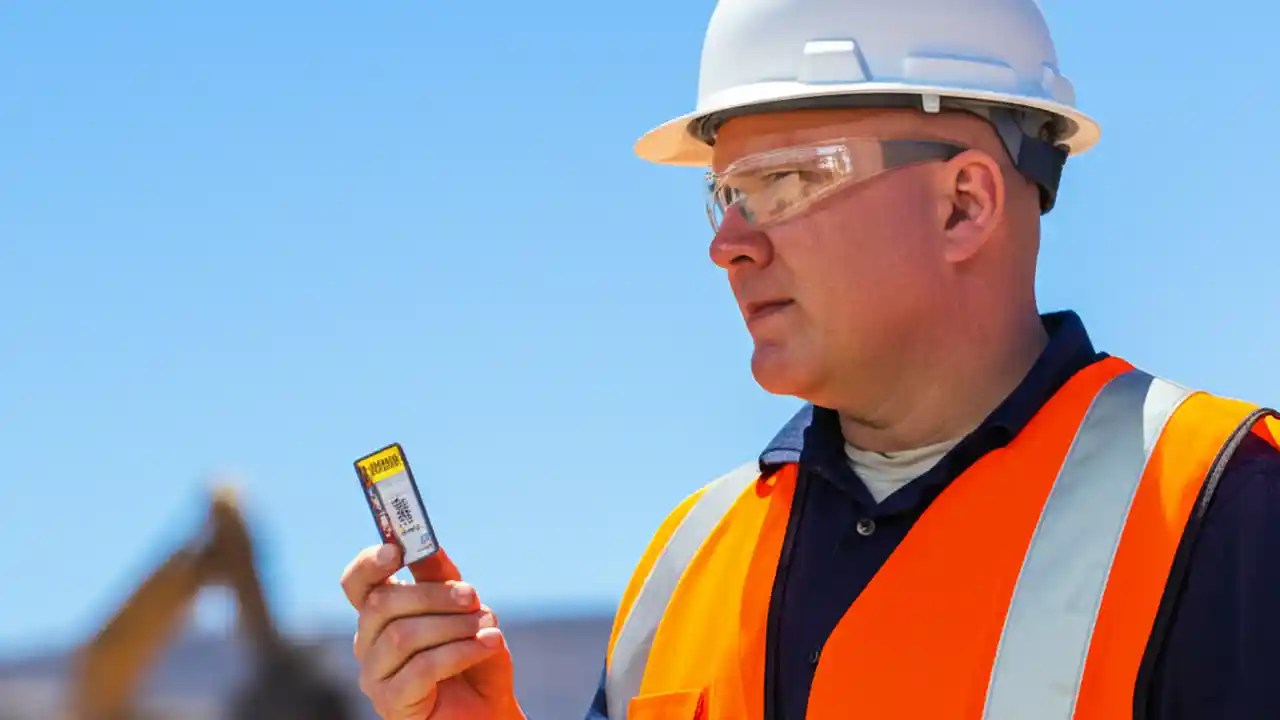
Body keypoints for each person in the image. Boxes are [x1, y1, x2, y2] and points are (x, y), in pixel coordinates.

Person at [339, 0, 1280, 718]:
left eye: (783, 182)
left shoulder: (1225, 504)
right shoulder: (683, 567)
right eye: (724, 197)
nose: (730, 245)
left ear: (965, 203)